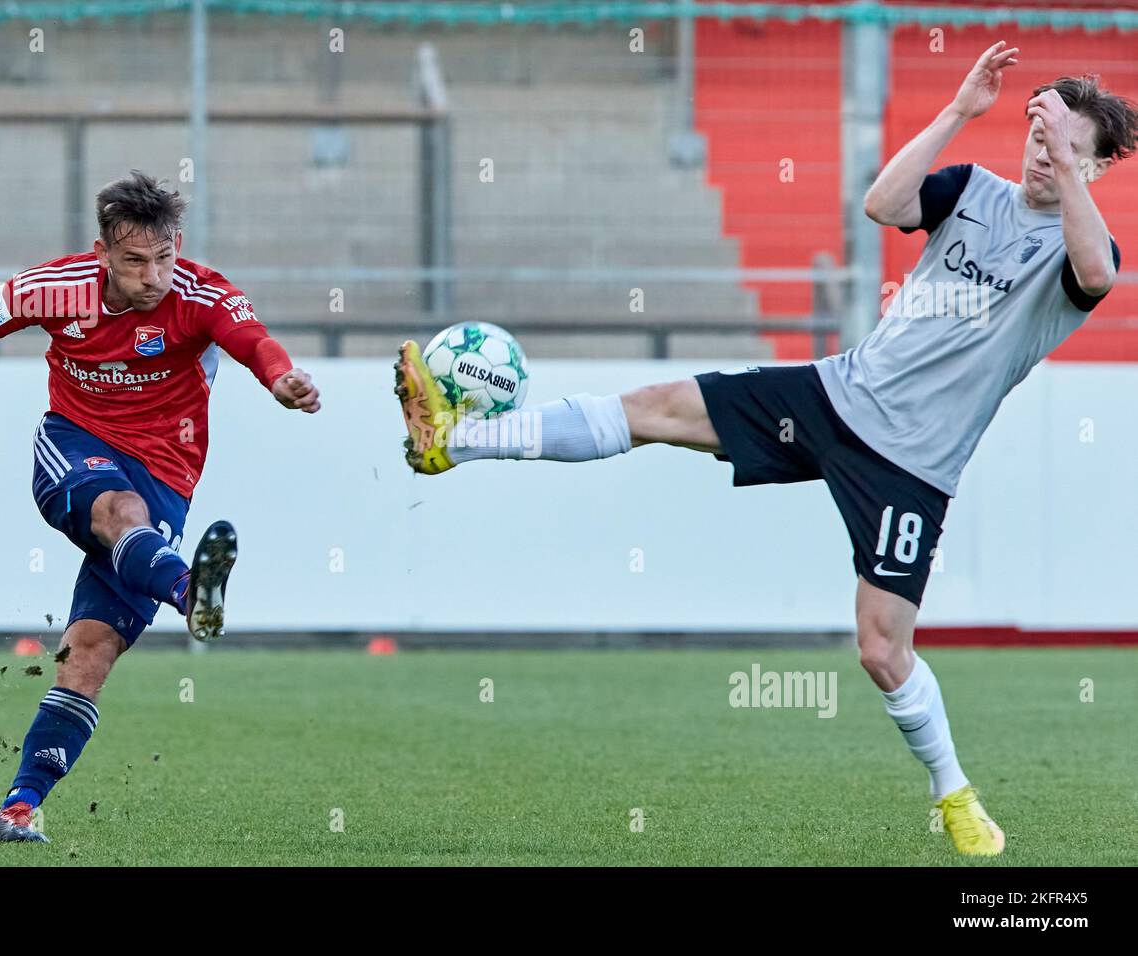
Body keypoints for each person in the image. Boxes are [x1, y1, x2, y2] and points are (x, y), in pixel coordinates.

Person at [394, 46, 1135, 856]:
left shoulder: (1077, 248)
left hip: (913, 466)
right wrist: (960, 110)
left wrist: (1065, 156)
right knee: (654, 409)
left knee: (882, 650)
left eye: (1064, 146)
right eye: (1037, 136)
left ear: (1092, 168)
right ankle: (458, 441)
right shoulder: (971, 191)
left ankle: (953, 793)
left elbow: (1097, 272)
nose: (1042, 153)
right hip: (835, 394)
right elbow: (883, 206)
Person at [0, 171, 321, 843]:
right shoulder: (54, 289)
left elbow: (252, 340)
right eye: (136, 261)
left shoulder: (202, 295)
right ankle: (189, 589)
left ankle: (18, 808)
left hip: (167, 479)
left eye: (166, 258)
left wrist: (282, 377)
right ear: (102, 254)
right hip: (75, 449)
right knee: (119, 512)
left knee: (88, 654)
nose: (155, 276)